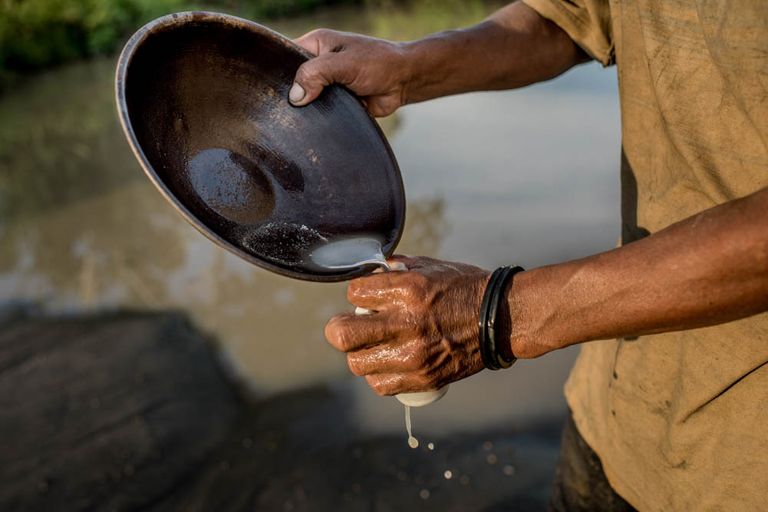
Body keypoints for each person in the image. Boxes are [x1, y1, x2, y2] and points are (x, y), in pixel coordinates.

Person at [288, 1, 768, 510]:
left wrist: (498, 314)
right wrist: (407, 67)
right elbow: (574, 16)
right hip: (618, 404)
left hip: (740, 463)